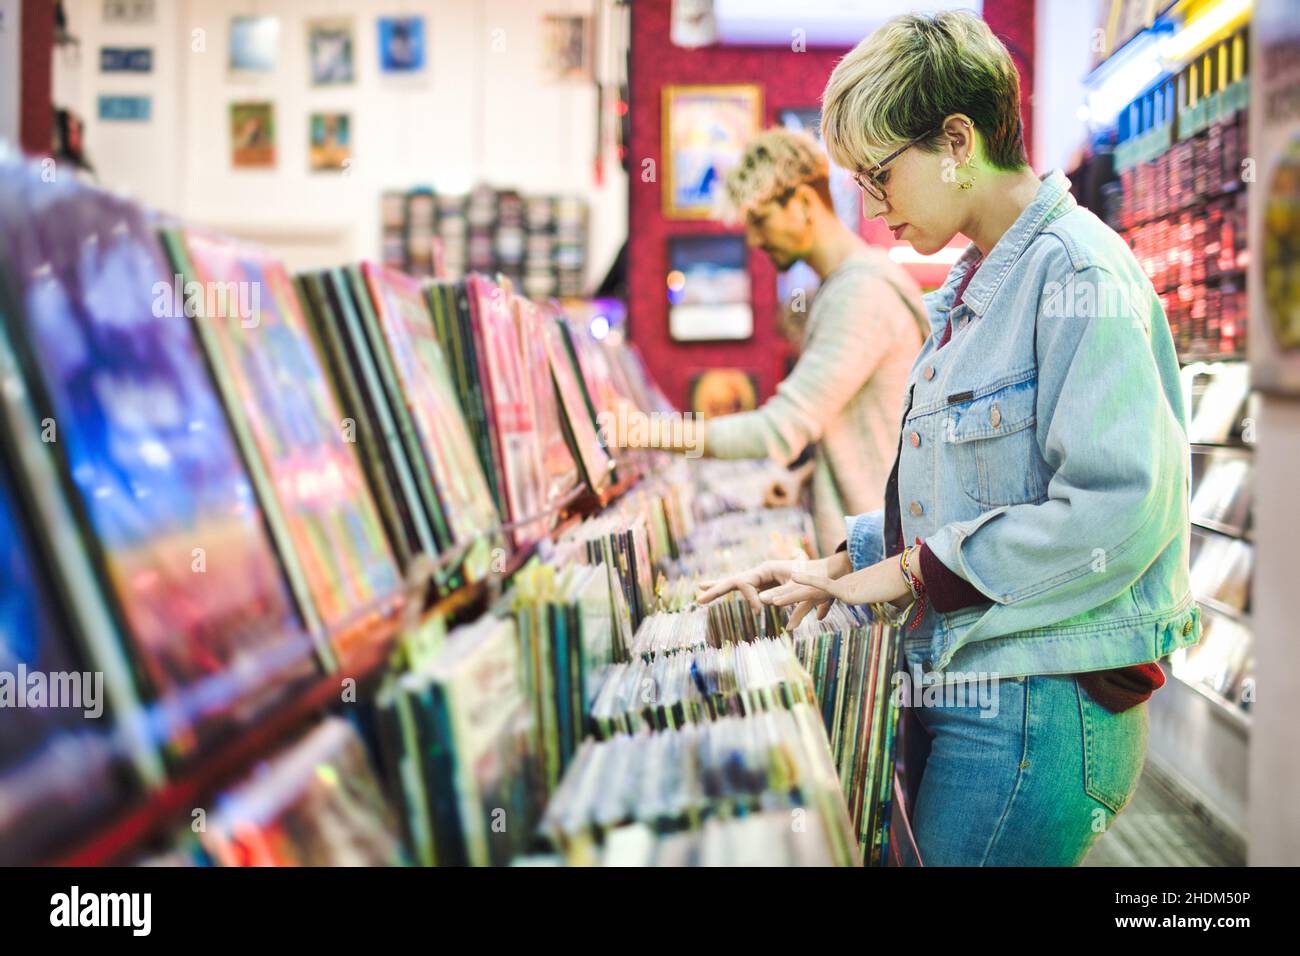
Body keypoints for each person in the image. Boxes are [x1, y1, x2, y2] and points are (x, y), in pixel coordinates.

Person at [696, 11, 1201, 866]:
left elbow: (1118, 510)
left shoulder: (1076, 271)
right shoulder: (974, 285)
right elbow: (972, 490)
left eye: (881, 175)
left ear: (958, 140)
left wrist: (900, 572)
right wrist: (833, 566)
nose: (871, 205)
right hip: (980, 685)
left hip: (1039, 706)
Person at [619, 128, 928, 556]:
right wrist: (806, 479)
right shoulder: (847, 286)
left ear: (803, 203)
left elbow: (777, 431)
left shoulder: (862, 293)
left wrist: (649, 433)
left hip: (878, 560)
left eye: (760, 220)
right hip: (871, 549)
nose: (754, 240)